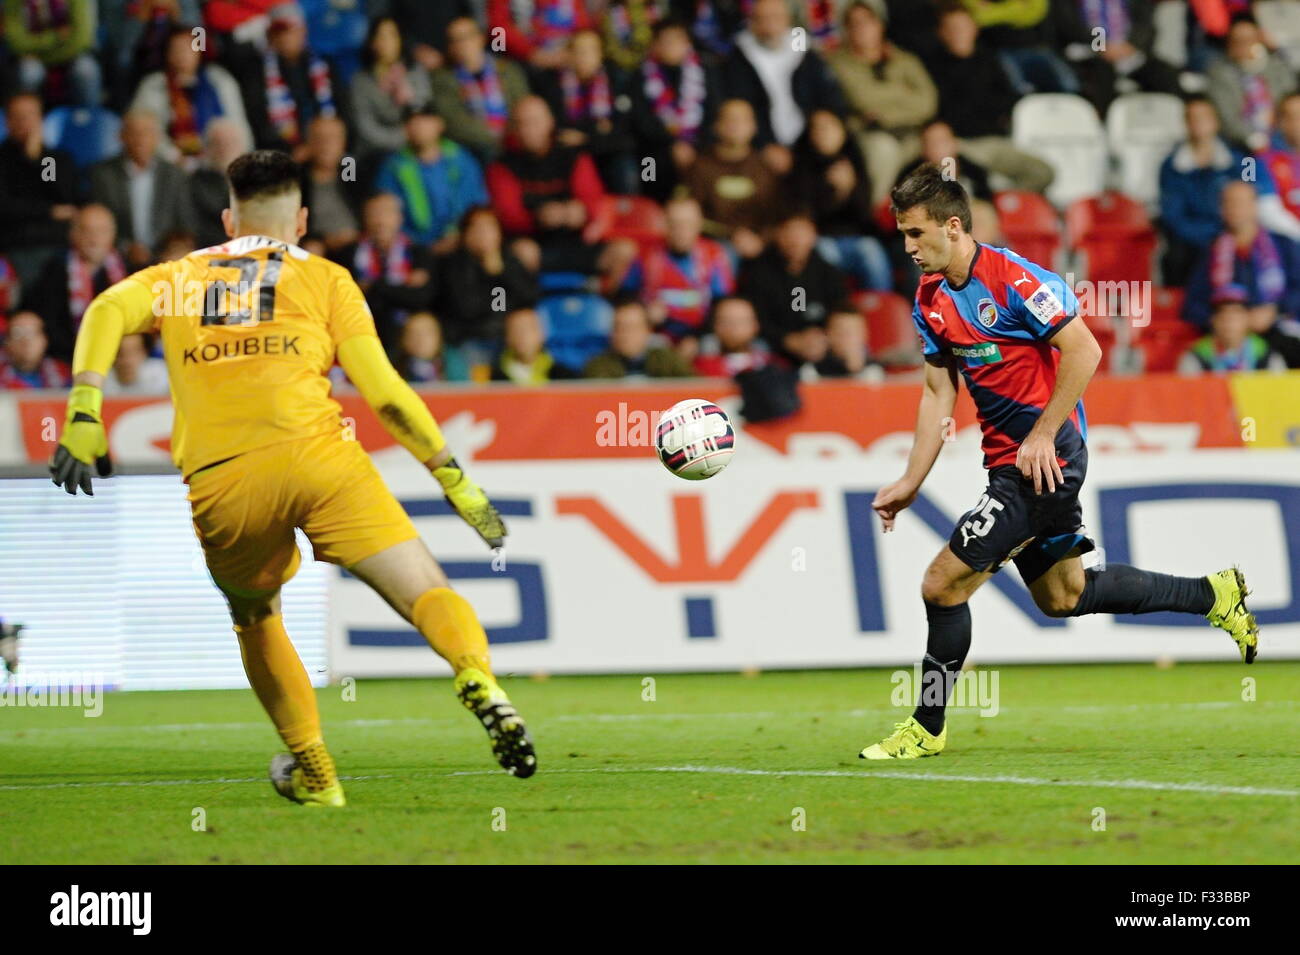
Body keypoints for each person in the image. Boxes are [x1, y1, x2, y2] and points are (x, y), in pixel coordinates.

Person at [48, 150, 535, 806]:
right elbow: (387, 392)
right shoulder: (329, 280)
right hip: (321, 459)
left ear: (228, 218)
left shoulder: (181, 277)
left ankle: (317, 772)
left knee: (256, 616)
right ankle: (478, 676)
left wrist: (84, 408)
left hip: (225, 480)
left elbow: (105, 308)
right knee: (424, 588)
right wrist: (454, 479)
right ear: (302, 220)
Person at [862, 163, 1259, 760]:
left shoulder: (1017, 279)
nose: (909, 248)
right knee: (1063, 597)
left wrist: (1044, 433)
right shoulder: (930, 299)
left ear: (953, 225)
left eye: (916, 234)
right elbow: (936, 392)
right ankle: (1213, 594)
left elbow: (1085, 348)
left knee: (942, 586)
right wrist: (911, 481)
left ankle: (925, 726)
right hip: (1009, 461)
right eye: (903, 236)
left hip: (1046, 462)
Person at [486, 96, 636, 288]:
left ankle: (610, 308)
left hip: (576, 242)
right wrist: (540, 218)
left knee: (624, 250)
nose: (529, 129)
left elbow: (593, 199)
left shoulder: (572, 156)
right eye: (522, 123)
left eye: (535, 122)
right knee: (522, 252)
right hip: (534, 243)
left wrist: (581, 212)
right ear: (513, 129)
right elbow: (508, 215)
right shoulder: (502, 165)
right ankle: (527, 306)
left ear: (550, 122)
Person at [828, 0, 937, 205]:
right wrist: (904, 93)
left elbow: (928, 102)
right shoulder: (837, 62)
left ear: (880, 25)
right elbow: (863, 98)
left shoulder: (904, 59)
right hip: (868, 133)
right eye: (854, 24)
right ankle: (876, 214)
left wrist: (885, 112)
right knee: (884, 150)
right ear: (846, 29)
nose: (861, 29)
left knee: (941, 146)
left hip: (911, 132)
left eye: (867, 22)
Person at [129, 24, 253, 169]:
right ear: (167, 52)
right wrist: (174, 157)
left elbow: (239, 125)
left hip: (217, 162)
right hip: (169, 164)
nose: (183, 53)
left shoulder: (219, 79)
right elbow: (142, 131)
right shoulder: (153, 85)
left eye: (189, 47)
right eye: (177, 48)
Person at [374, 104, 489, 253]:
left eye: (424, 120)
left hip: (464, 242)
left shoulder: (461, 158)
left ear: (439, 124)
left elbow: (477, 203)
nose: (418, 127)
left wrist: (458, 235)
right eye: (411, 122)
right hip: (414, 249)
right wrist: (422, 247)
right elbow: (386, 215)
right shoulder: (392, 168)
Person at [23, 204, 128, 362]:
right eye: (87, 231)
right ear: (73, 234)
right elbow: (47, 324)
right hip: (64, 361)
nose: (94, 239)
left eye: (101, 231)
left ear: (113, 234)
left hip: (119, 363)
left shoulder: (129, 271)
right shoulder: (54, 271)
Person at [91, 111, 196, 268]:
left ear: (157, 138)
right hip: (117, 256)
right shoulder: (103, 175)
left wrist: (172, 249)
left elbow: (186, 224)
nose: (140, 139)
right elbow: (98, 224)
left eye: (147, 132)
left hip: (165, 256)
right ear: (121, 137)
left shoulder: (174, 175)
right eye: (134, 133)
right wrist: (125, 248)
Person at [683, 98, 784, 259]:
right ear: (716, 126)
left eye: (743, 120)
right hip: (716, 243)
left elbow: (777, 215)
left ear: (754, 127)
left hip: (761, 242)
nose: (735, 125)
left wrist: (761, 240)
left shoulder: (766, 166)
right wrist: (733, 235)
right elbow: (691, 216)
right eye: (729, 119)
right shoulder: (699, 166)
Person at [0, 92, 82, 286]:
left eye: (29, 115)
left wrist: (38, 159)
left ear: (40, 119)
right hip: (16, 244)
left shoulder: (53, 159)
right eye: (17, 116)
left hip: (57, 243)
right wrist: (49, 211)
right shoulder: (2, 160)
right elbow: (5, 207)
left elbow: (63, 197)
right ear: (7, 121)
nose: (24, 122)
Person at [627, 195, 734, 344]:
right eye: (675, 224)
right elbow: (625, 297)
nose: (681, 231)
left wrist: (695, 338)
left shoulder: (714, 255)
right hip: (656, 334)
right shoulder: (647, 255)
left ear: (699, 224)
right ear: (664, 225)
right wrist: (645, 313)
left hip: (702, 335)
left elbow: (723, 304)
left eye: (688, 224)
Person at [429, 15, 531, 165]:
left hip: (514, 140)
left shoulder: (508, 69)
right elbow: (454, 122)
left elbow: (524, 105)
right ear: (449, 47)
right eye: (455, 40)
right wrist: (496, 138)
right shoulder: (442, 79)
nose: (462, 44)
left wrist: (513, 134)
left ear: (480, 38)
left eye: (466, 37)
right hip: (474, 148)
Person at [1206, 14, 1296, 153]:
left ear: (1259, 39)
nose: (1244, 46)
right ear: (1229, 43)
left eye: (1249, 40)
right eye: (1238, 41)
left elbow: (1291, 103)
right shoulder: (1220, 73)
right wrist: (1251, 138)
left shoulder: (1277, 66)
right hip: (1240, 144)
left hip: (1281, 138)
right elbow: (1226, 116)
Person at [350, 16, 433, 161]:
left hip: (417, 144)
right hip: (378, 152)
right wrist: (403, 137)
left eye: (391, 35)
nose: (386, 42)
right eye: (380, 36)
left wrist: (407, 93)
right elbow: (365, 128)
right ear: (372, 43)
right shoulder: (361, 81)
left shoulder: (415, 71)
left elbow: (425, 110)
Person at [1178, 284, 1287, 373]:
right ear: (1213, 320)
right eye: (1223, 315)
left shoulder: (1266, 355)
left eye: (1235, 315)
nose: (1229, 322)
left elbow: (1280, 394)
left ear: (1248, 318)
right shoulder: (1196, 356)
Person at [583, 299, 692, 378]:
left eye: (632, 327)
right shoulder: (597, 366)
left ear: (648, 331)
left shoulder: (667, 361)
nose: (625, 334)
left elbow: (697, 391)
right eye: (619, 328)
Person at [692, 295, 776, 377]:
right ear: (714, 325)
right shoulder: (697, 369)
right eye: (726, 321)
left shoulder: (771, 366)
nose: (733, 328)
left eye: (741, 321)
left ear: (756, 325)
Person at [490, 307, 580, 383]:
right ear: (507, 337)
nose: (522, 336)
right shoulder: (492, 379)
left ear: (542, 334)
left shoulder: (564, 377)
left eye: (528, 329)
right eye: (516, 330)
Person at [394, 311, 471, 383]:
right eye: (413, 333)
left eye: (427, 333)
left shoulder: (453, 362)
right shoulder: (393, 366)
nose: (420, 339)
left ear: (439, 337)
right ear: (403, 340)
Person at [0, 310, 70, 388]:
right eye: (17, 334)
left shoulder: (63, 374)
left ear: (44, 340)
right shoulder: (2, 375)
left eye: (33, 333)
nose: (26, 341)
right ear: (7, 342)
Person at [103, 333, 170, 394]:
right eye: (120, 353)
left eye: (134, 352)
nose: (127, 361)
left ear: (145, 352)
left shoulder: (163, 374)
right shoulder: (100, 380)